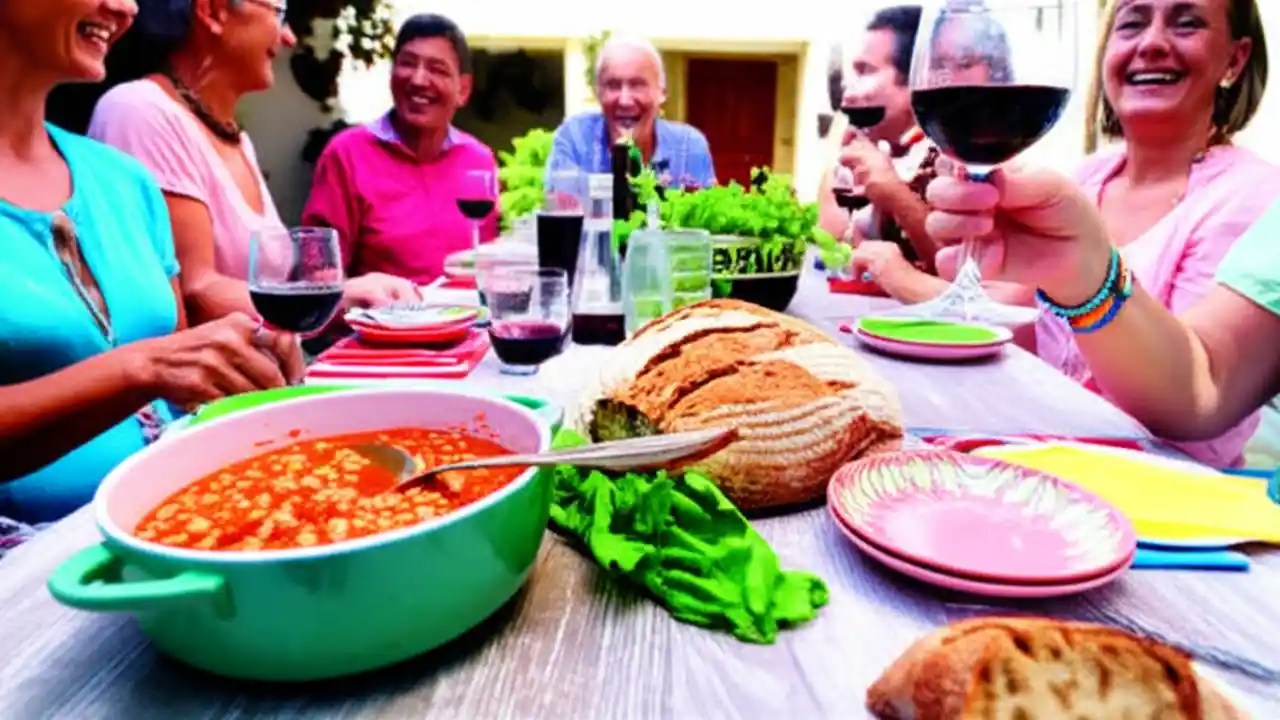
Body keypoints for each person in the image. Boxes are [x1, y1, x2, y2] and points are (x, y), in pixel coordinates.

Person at [853, 0, 1276, 468]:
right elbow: (1019, 332)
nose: (1152, 43)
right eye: (1132, 23)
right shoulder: (1087, 178)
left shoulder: (1254, 196)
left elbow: (1194, 401)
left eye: (1187, 23)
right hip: (1035, 454)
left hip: (1161, 495)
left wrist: (902, 276)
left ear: (1235, 59)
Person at [0, 0, 302, 530]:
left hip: (176, 517)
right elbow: (158, 365)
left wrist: (241, 355)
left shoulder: (125, 180)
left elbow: (180, 390)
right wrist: (142, 369)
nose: (124, 6)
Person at [87, 0, 417, 324]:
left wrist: (330, 289)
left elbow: (268, 287)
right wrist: (338, 296)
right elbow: (195, 292)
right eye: (279, 13)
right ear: (212, 11)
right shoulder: (141, 112)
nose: (288, 37)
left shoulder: (236, 138)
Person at [925, 166, 1280, 462]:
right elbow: (1205, 383)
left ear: (1231, 75)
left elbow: (1198, 426)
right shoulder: (1092, 171)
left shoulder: (1248, 188)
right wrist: (1086, 274)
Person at [302, 14, 499, 285]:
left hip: (467, 322)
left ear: (462, 90)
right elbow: (316, 278)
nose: (418, 79)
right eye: (407, 63)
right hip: (376, 323)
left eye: (437, 69)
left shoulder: (478, 160)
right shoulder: (348, 154)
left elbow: (488, 265)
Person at [817, 6, 941, 270]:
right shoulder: (883, 149)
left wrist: (895, 194)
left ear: (917, 80)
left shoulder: (953, 156)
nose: (848, 94)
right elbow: (832, 235)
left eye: (865, 71)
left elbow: (961, 271)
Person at [546, 35, 716, 190]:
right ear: (598, 93)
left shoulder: (688, 146)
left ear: (661, 93)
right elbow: (560, 212)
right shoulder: (575, 139)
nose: (625, 100)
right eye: (613, 85)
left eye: (637, 84)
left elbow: (706, 219)